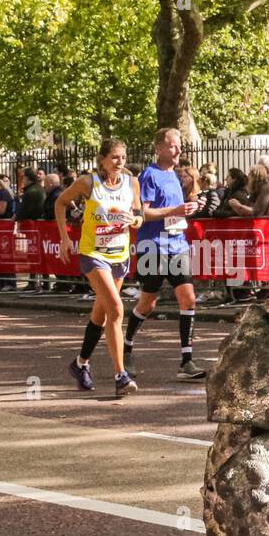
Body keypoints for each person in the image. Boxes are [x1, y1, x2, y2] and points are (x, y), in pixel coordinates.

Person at [56, 138, 143, 397]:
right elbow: (60, 202)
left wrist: (134, 220)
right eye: (114, 157)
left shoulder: (132, 183)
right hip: (93, 255)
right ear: (102, 159)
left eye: (123, 157)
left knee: (101, 315)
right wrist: (64, 238)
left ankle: (80, 363)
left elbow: (139, 214)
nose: (119, 162)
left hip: (120, 255)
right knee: (116, 309)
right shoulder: (88, 182)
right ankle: (121, 376)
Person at [123, 128, 205, 381]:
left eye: (179, 145)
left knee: (188, 299)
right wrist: (176, 210)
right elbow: (143, 213)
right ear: (159, 149)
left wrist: (190, 208)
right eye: (173, 146)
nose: (179, 150)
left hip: (177, 245)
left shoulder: (174, 175)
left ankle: (186, 361)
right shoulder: (149, 175)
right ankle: (126, 348)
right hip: (153, 246)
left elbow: (175, 211)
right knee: (148, 303)